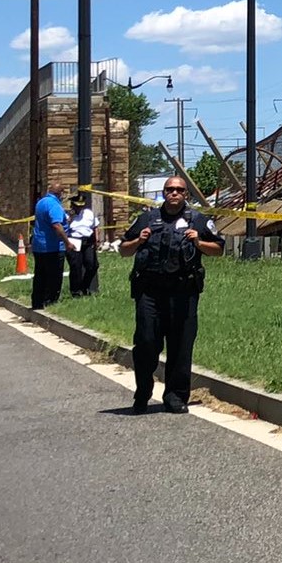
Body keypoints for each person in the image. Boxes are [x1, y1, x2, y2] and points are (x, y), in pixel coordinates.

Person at [120, 177, 224, 413]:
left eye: (179, 190)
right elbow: (123, 250)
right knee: (146, 342)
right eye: (170, 189)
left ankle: (175, 397)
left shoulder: (198, 220)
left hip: (183, 292)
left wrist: (198, 242)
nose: (174, 193)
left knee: (181, 345)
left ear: (186, 194)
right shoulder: (147, 219)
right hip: (150, 292)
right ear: (164, 192)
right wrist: (139, 240)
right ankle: (143, 391)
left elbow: (218, 250)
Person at [31, 180, 69, 310]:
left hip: (39, 246)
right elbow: (56, 225)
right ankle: (50, 302)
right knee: (54, 277)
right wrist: (67, 242)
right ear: (60, 193)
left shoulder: (41, 202)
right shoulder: (54, 205)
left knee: (40, 275)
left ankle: (37, 302)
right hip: (53, 247)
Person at [65, 192, 99, 298]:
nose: (79, 208)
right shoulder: (67, 215)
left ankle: (85, 287)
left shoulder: (89, 213)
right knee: (76, 267)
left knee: (92, 265)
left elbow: (95, 226)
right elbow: (63, 229)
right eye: (77, 206)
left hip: (88, 241)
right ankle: (75, 291)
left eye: (81, 206)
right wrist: (70, 218)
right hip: (74, 240)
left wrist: (97, 239)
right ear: (72, 205)